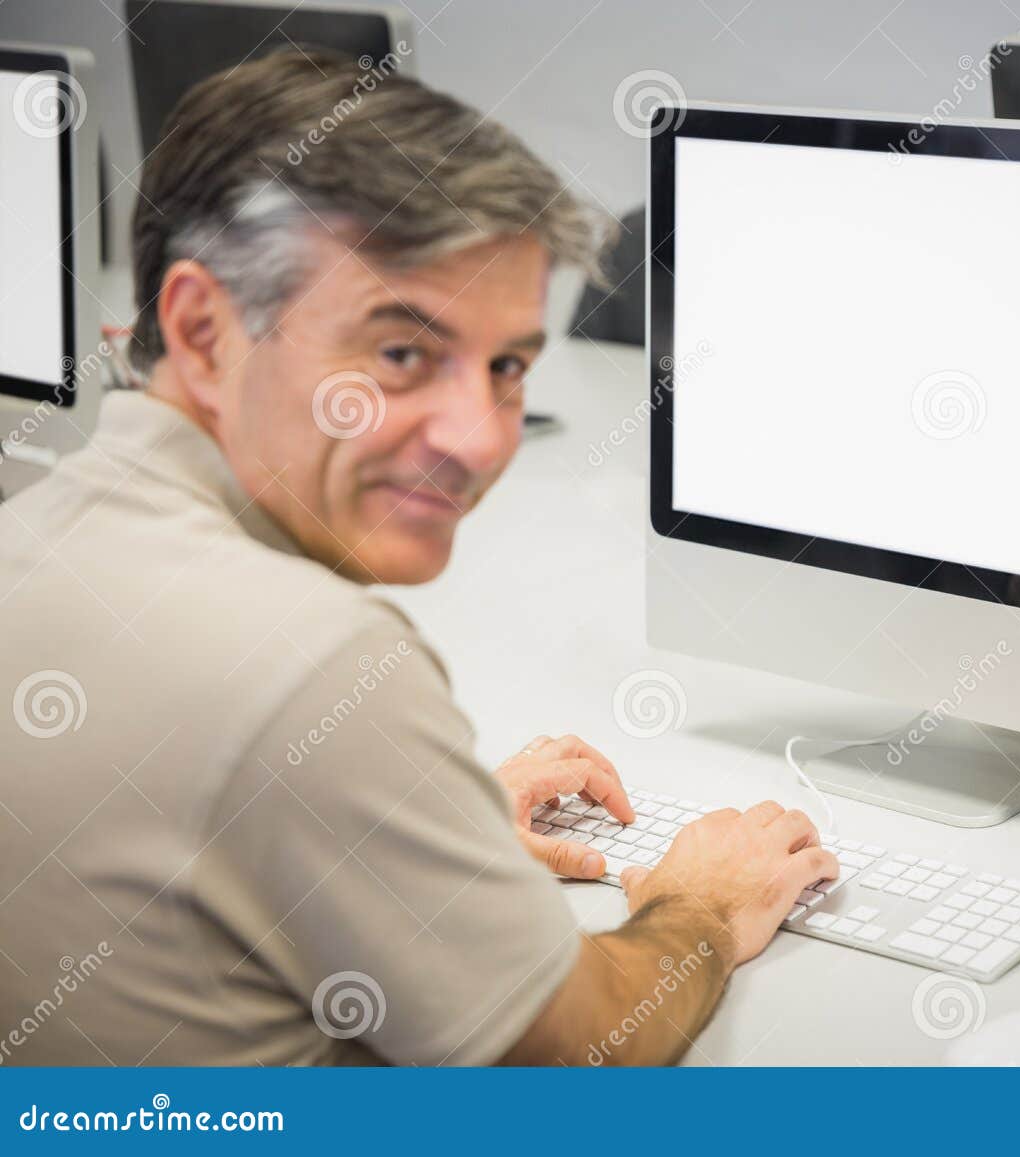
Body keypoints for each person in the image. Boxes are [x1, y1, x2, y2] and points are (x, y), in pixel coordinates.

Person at [0, 52, 835, 1066]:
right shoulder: (314, 663)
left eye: (507, 365)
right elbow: (574, 1053)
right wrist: (699, 905)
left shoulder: (33, 536)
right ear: (202, 331)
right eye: (402, 353)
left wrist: (408, 828)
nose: (479, 437)